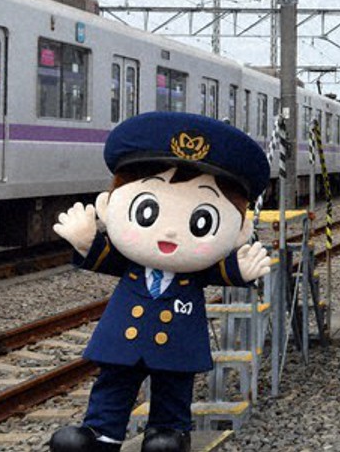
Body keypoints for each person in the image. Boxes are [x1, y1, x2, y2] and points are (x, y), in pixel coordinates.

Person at [49, 112, 272, 452]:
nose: (168, 231)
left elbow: (217, 272)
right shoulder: (130, 263)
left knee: (173, 392)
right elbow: (107, 258)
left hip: (178, 344)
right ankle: (99, 434)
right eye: (148, 211)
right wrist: (86, 242)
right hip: (122, 344)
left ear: (240, 229)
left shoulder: (195, 270)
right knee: (112, 386)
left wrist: (238, 269)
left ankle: (169, 434)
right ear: (109, 206)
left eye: (201, 221)